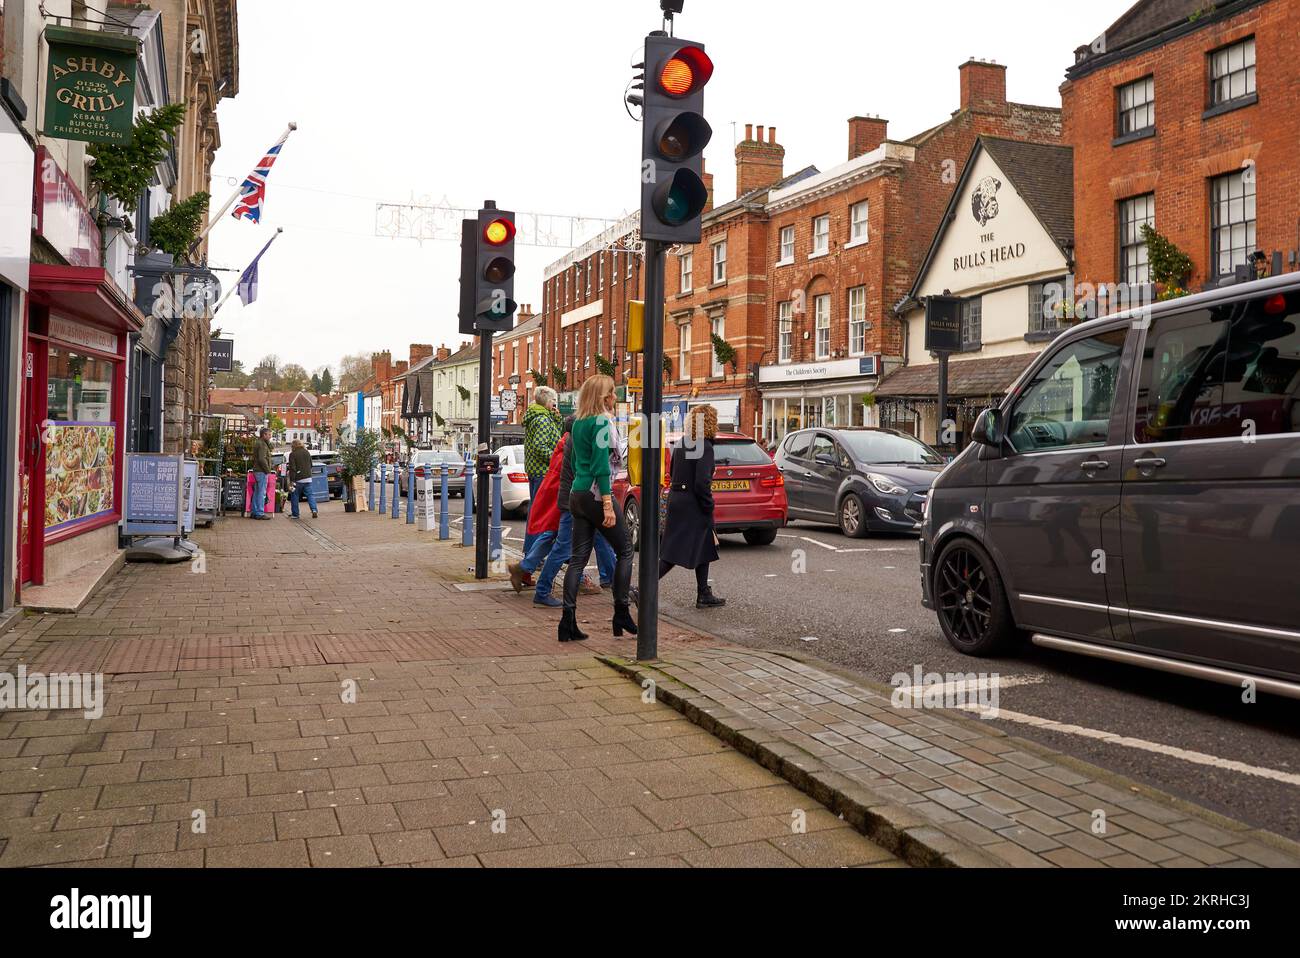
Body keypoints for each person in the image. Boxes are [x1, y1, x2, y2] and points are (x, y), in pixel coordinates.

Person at [560, 376, 635, 642]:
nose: (615, 397)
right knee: (625, 550)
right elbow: (601, 466)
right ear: (603, 397)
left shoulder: (579, 422)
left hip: (576, 494)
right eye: (612, 393)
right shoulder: (602, 421)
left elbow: (579, 460)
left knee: (578, 559)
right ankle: (621, 612)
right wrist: (607, 503)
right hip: (594, 492)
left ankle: (567, 622)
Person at [525, 417, 615, 607]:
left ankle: (619, 584)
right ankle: (542, 590)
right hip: (578, 501)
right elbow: (594, 469)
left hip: (576, 499)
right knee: (564, 548)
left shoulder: (571, 438)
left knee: (603, 542)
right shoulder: (581, 437)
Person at [659, 404, 725, 608]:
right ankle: (642, 588)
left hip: (677, 500)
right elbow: (702, 482)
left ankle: (703, 593)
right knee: (672, 553)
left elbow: (672, 471)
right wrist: (708, 505)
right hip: (693, 503)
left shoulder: (680, 443)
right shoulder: (704, 446)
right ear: (710, 422)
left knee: (704, 544)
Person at [522, 386, 563, 573]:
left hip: (534, 470)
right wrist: (555, 458)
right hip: (543, 472)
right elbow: (541, 446)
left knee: (535, 512)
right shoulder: (542, 420)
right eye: (553, 400)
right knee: (541, 516)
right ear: (547, 401)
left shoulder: (539, 417)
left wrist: (556, 417)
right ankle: (532, 554)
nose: (555, 404)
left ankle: (531, 553)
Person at [287, 439, 318, 519]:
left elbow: (292, 468)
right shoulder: (306, 452)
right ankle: (314, 510)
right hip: (308, 478)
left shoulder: (292, 454)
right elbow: (311, 465)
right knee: (310, 495)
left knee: (295, 496)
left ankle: (295, 514)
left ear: (293, 446)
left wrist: (292, 481)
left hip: (298, 479)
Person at [250, 427, 274, 520]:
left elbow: (271, 448)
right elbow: (262, 459)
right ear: (264, 435)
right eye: (269, 434)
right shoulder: (262, 444)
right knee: (261, 492)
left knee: (257, 492)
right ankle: (260, 512)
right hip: (261, 471)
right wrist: (267, 470)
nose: (270, 436)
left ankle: (254, 511)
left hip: (257, 470)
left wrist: (268, 442)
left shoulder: (259, 443)